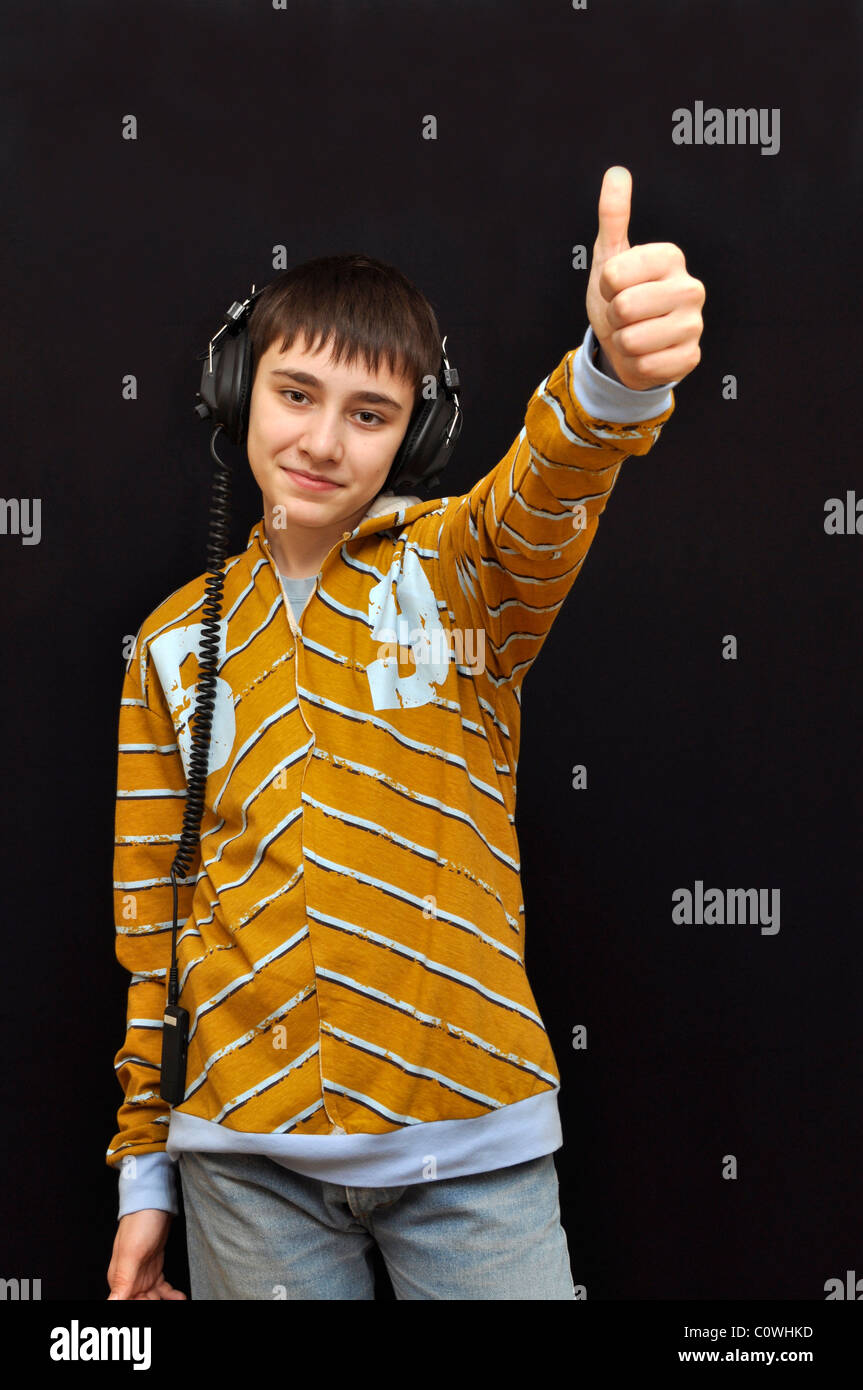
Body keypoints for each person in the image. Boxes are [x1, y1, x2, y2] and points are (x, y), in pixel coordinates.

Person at [106, 166, 705, 1300]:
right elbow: (156, 917)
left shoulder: (466, 570)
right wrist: (147, 1176)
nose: (323, 440)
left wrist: (610, 380)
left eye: (369, 412)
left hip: (472, 1147)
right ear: (237, 389)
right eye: (295, 393)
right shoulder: (168, 644)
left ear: (413, 433)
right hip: (240, 1164)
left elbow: (550, 478)